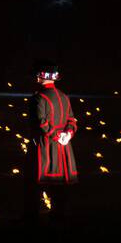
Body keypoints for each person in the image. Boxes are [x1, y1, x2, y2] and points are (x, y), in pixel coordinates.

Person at [25, 62, 78, 224]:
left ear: (40, 77)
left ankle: (32, 218)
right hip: (64, 147)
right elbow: (72, 120)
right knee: (60, 187)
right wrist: (67, 134)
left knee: (34, 183)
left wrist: (56, 136)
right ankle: (60, 215)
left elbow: (41, 123)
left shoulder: (38, 98)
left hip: (45, 146)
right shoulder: (64, 96)